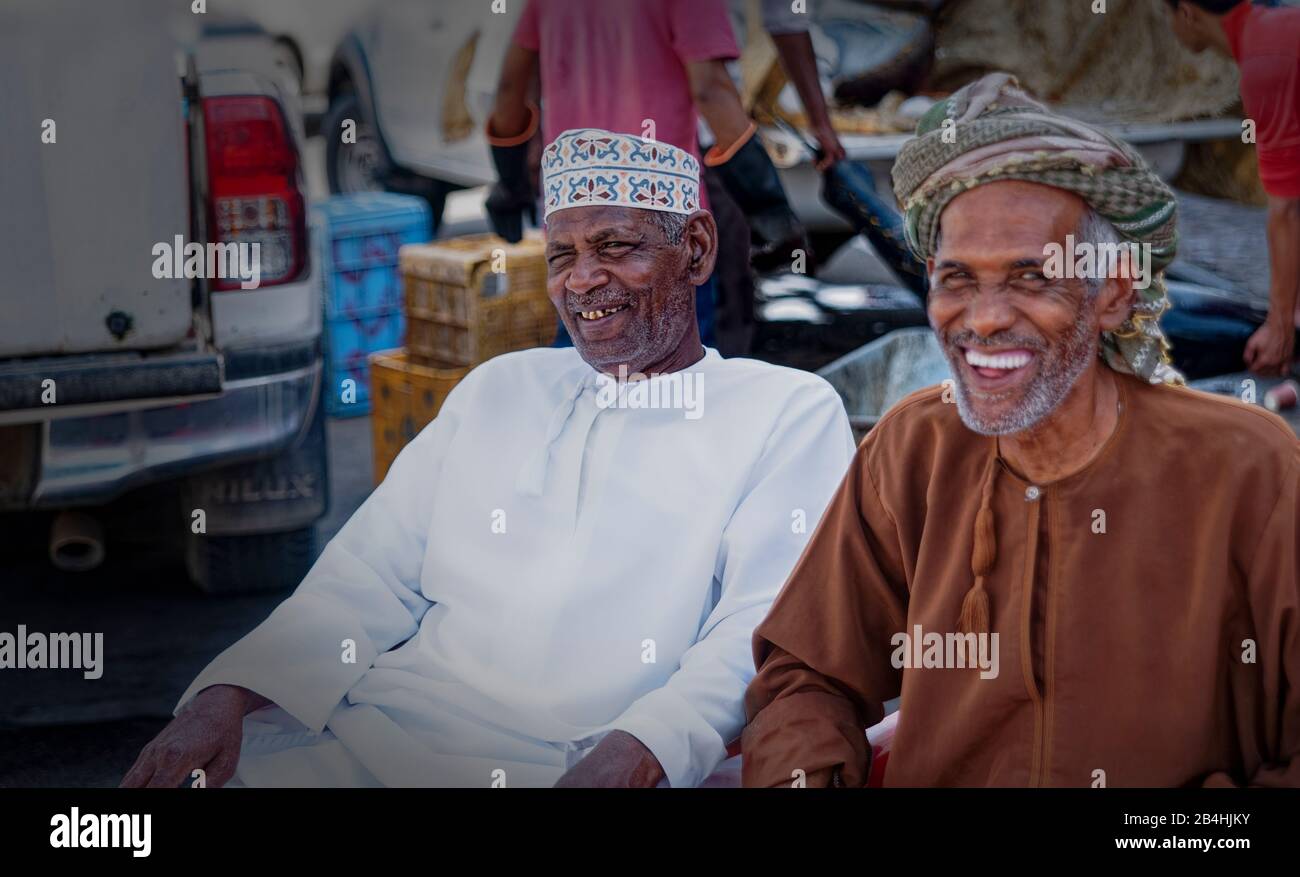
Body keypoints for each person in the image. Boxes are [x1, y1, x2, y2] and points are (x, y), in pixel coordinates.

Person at [121, 128, 855, 789]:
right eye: (562, 255)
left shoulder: (785, 410)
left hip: (582, 757)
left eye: (615, 246)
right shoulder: (502, 386)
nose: (581, 279)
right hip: (378, 732)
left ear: (695, 249)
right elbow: (365, 577)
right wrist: (226, 694)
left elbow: (755, 630)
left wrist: (642, 748)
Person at [742, 74, 1300, 788]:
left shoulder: (1249, 466)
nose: (982, 319)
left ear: (1112, 294)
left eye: (1031, 277)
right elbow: (805, 673)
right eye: (956, 278)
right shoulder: (916, 448)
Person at [486, 0, 809, 349]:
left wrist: (509, 180)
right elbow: (710, 90)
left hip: (573, 231)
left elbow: (509, 90)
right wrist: (768, 205)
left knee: (584, 371)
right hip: (659, 229)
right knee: (677, 379)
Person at [1164, 0, 1300, 375]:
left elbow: (1286, 210)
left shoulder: (1266, 64)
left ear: (1188, 12)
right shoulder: (1282, 25)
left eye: (1168, 14)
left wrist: (1279, 326)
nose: (1170, 26)